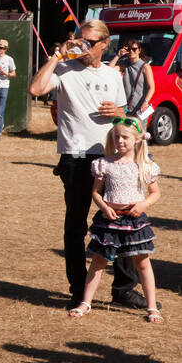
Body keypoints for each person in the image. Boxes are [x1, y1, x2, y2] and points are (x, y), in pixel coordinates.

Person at [28, 19, 145, 308]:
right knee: (75, 226)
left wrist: (121, 111)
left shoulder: (112, 75)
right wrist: (57, 54)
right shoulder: (65, 69)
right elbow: (35, 89)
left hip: (111, 159)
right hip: (77, 160)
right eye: (81, 40)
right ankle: (78, 290)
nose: (83, 46)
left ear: (105, 44)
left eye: (90, 42)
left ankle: (123, 289)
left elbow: (123, 121)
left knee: (123, 223)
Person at [68, 118, 161, 323]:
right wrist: (104, 207)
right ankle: (86, 302)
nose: (120, 140)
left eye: (125, 137)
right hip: (109, 220)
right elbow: (96, 192)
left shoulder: (145, 165)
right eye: (116, 136)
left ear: (137, 139)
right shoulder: (104, 164)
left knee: (143, 263)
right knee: (98, 262)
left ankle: (152, 307)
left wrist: (143, 205)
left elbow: (155, 193)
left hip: (135, 220)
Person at [109, 41, 155, 119]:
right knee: (124, 130)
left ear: (139, 50)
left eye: (134, 49)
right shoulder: (124, 65)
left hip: (140, 109)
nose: (131, 51)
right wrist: (118, 55)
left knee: (139, 130)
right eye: (129, 49)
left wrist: (145, 102)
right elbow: (108, 70)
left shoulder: (145, 66)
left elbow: (152, 87)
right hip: (125, 108)